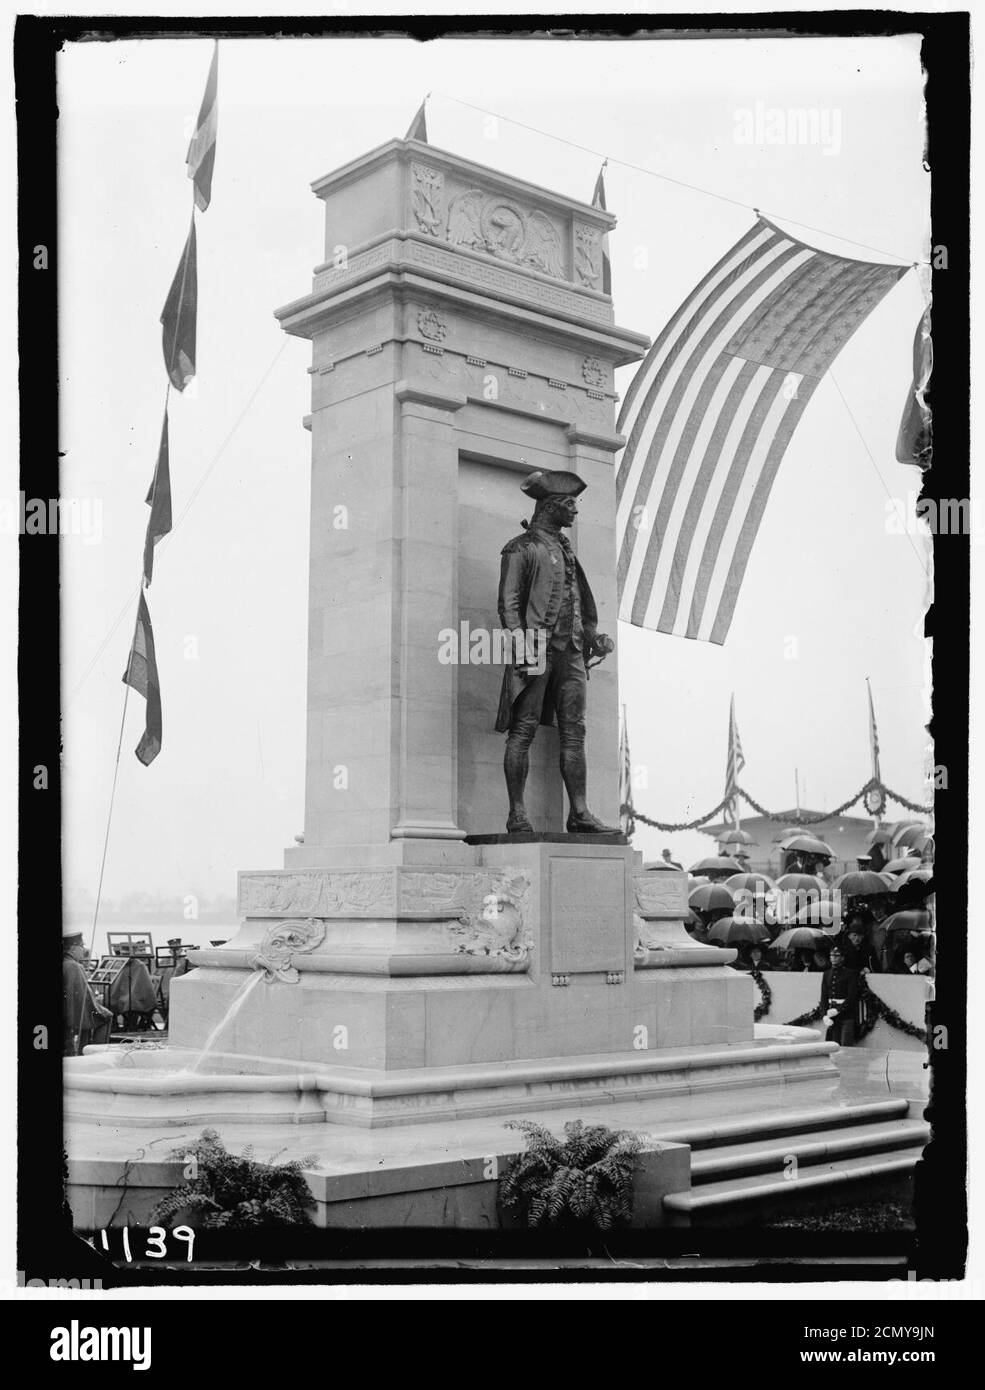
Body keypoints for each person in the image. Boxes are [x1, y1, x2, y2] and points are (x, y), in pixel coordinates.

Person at [496, 469, 616, 834]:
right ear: (550, 507)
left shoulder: (566, 550)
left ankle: (579, 812)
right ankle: (517, 812)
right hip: (536, 649)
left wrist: (592, 634)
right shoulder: (521, 547)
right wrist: (522, 646)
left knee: (575, 732)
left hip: (572, 652)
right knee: (524, 729)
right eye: (569, 505)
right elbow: (508, 604)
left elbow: (577, 599)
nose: (575, 512)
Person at [63, 929, 113, 1056]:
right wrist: (99, 1009)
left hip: (67, 1013)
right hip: (73, 1016)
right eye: (82, 945)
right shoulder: (74, 967)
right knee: (107, 1016)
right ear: (73, 948)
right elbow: (85, 1000)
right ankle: (93, 1053)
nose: (83, 949)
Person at [820, 944, 860, 1046]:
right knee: (832, 1045)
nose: (833, 958)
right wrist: (824, 1015)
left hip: (846, 1016)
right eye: (832, 955)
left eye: (837, 955)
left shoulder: (850, 974)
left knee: (845, 1045)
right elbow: (824, 996)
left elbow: (852, 997)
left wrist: (838, 1010)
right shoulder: (827, 974)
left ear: (842, 958)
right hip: (832, 1016)